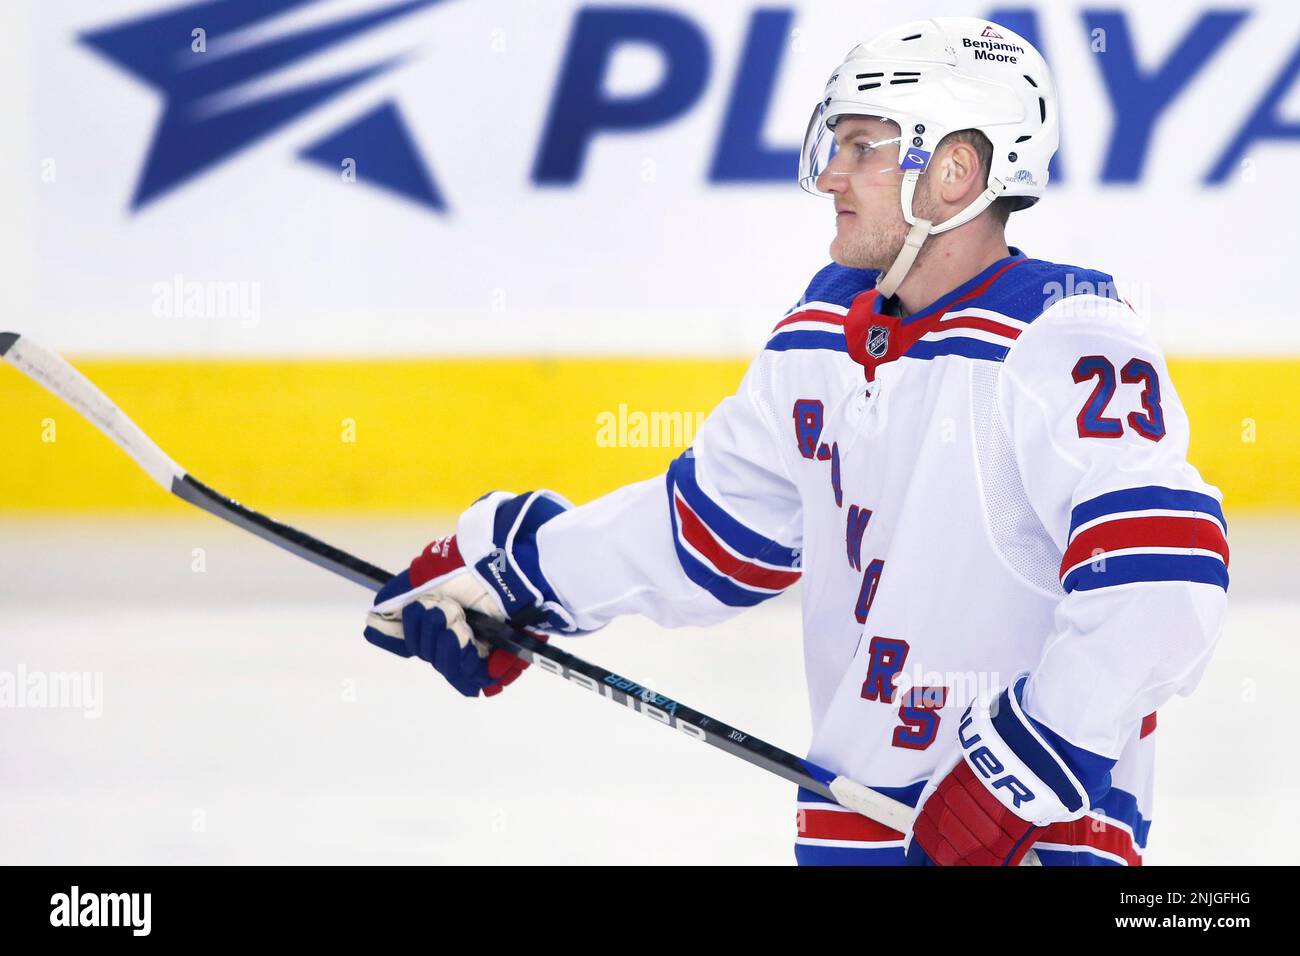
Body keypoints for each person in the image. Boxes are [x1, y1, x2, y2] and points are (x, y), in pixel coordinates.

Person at [362, 17, 1228, 866]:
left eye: (863, 148)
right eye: (836, 146)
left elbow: (1165, 580)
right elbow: (703, 539)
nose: (832, 178)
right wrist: (517, 573)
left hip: (1032, 842)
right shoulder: (822, 333)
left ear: (956, 172)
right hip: (855, 831)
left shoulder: (1063, 337)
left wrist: (1027, 770)